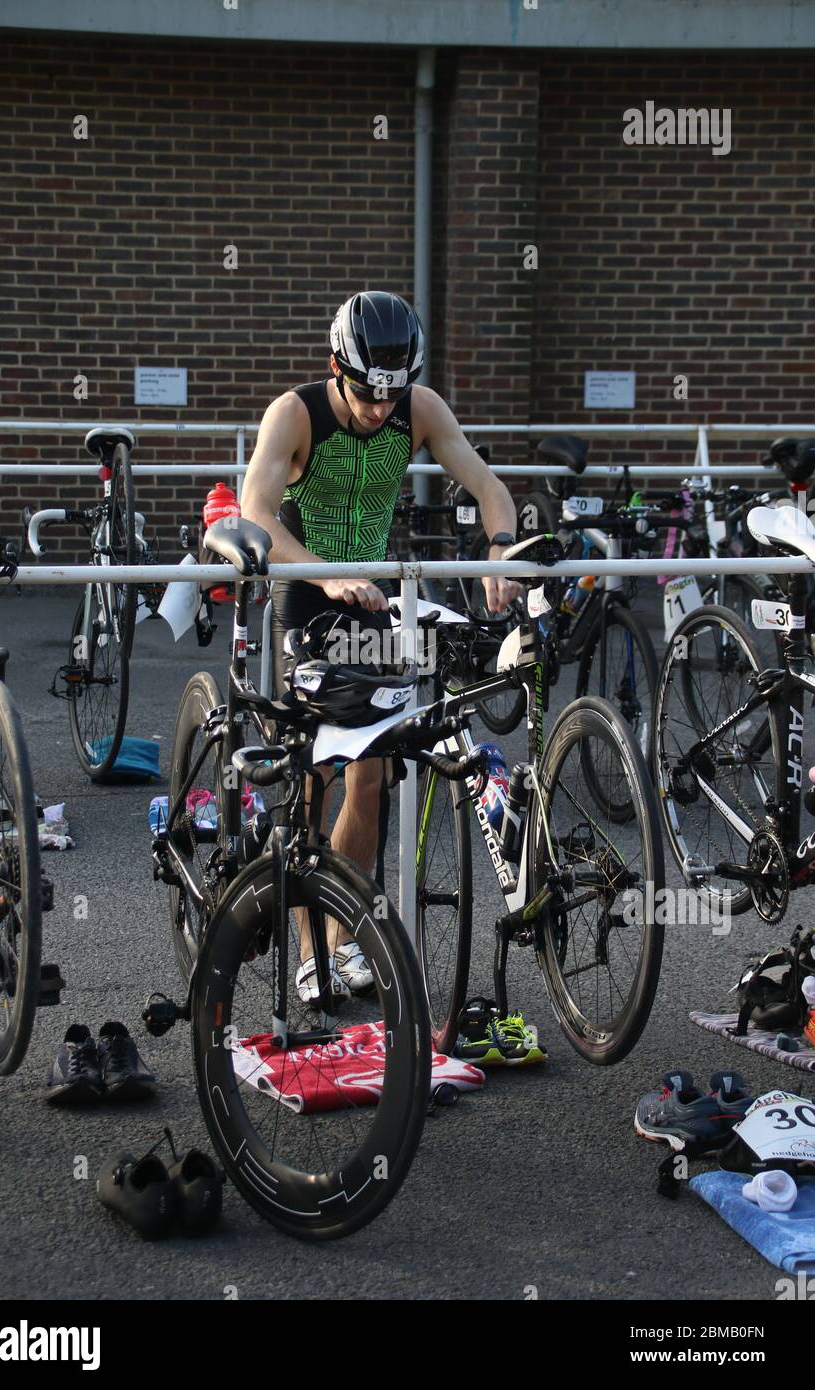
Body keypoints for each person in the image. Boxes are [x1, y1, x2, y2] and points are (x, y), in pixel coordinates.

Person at [241, 290, 523, 1012]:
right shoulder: (295, 413)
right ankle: (308, 954)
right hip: (307, 597)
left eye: (388, 399)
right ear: (338, 369)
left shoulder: (419, 409)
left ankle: (342, 936)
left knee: (370, 775)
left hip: (374, 604)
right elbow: (255, 514)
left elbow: (489, 486)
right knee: (315, 774)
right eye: (365, 395)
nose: (377, 411)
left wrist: (497, 551)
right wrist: (324, 572)